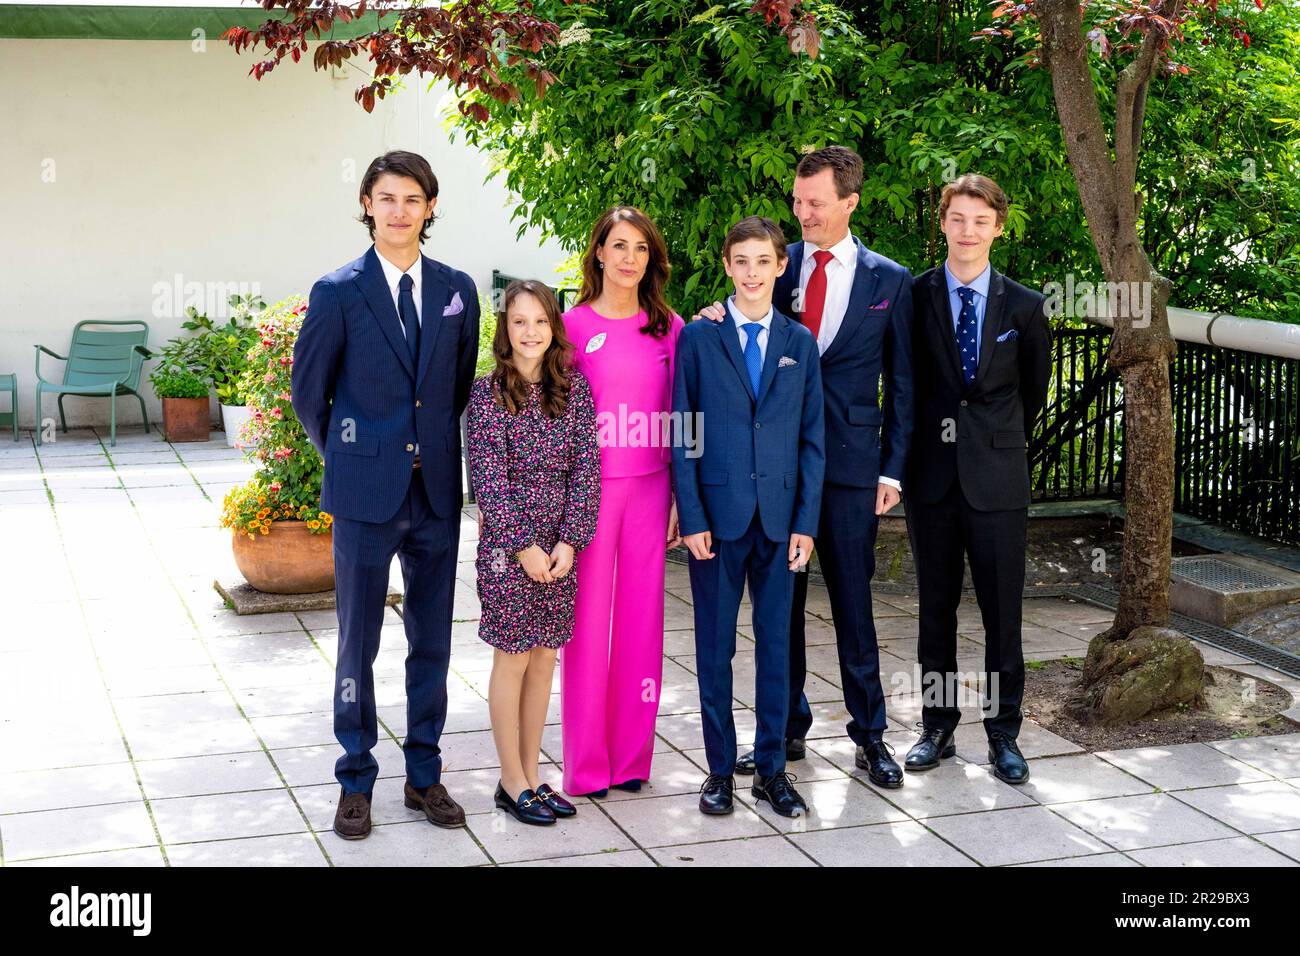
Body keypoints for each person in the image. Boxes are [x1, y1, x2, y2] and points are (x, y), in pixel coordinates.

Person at [697, 146, 914, 789]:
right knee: (779, 610)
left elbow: (903, 385)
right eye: (797, 200)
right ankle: (784, 730)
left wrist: (892, 471)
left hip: (849, 472)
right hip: (774, 474)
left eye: (815, 202)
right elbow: (744, 321)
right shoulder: (777, 264)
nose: (803, 211)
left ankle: (870, 736)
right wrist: (714, 313)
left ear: (850, 202)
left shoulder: (889, 280)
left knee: (853, 605)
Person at [292, 150, 479, 839]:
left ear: (430, 208)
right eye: (386, 197)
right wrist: (352, 458)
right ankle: (355, 777)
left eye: (413, 198)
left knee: (431, 642)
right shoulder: (338, 291)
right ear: (367, 205)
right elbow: (310, 396)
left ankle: (425, 775)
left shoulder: (457, 289)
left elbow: (454, 390)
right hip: (365, 497)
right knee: (357, 645)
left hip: (434, 498)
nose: (399, 210)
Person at [673, 215, 825, 818]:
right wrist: (691, 516)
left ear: (781, 266)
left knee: (776, 648)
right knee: (713, 649)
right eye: (742, 261)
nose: (753, 272)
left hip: (782, 522)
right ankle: (717, 770)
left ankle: (771, 770)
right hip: (717, 518)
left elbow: (812, 439)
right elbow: (683, 430)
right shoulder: (699, 339)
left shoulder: (800, 344)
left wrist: (806, 524)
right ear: (728, 266)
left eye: (764, 261)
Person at [904, 173, 1050, 785]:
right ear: (942, 222)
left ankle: (1003, 734)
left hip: (997, 483)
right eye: (958, 219)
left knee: (1002, 616)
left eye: (980, 221)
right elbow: (905, 383)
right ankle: (936, 726)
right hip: (931, 482)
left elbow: (1035, 391)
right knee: (935, 610)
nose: (968, 232)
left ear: (998, 227)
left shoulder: (1025, 305)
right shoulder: (915, 296)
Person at [561, 207, 684, 799]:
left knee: (641, 623)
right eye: (619, 245)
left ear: (651, 259)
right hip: (589, 492)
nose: (630, 257)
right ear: (599, 254)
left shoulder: (672, 328)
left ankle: (632, 759)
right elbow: (551, 418)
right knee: (586, 625)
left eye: (640, 248)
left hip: (652, 489)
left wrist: (684, 498)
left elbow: (687, 419)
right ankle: (585, 766)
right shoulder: (572, 327)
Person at [467, 280, 601, 825]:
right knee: (514, 656)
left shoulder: (573, 389)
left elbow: (586, 472)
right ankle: (508, 778)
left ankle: (531, 775)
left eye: (540, 322)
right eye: (519, 322)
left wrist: (570, 541)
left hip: (560, 549)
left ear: (554, 327)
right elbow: (488, 480)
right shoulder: (487, 393)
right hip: (508, 550)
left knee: (546, 657)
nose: (530, 332)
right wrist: (523, 546)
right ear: (505, 329)